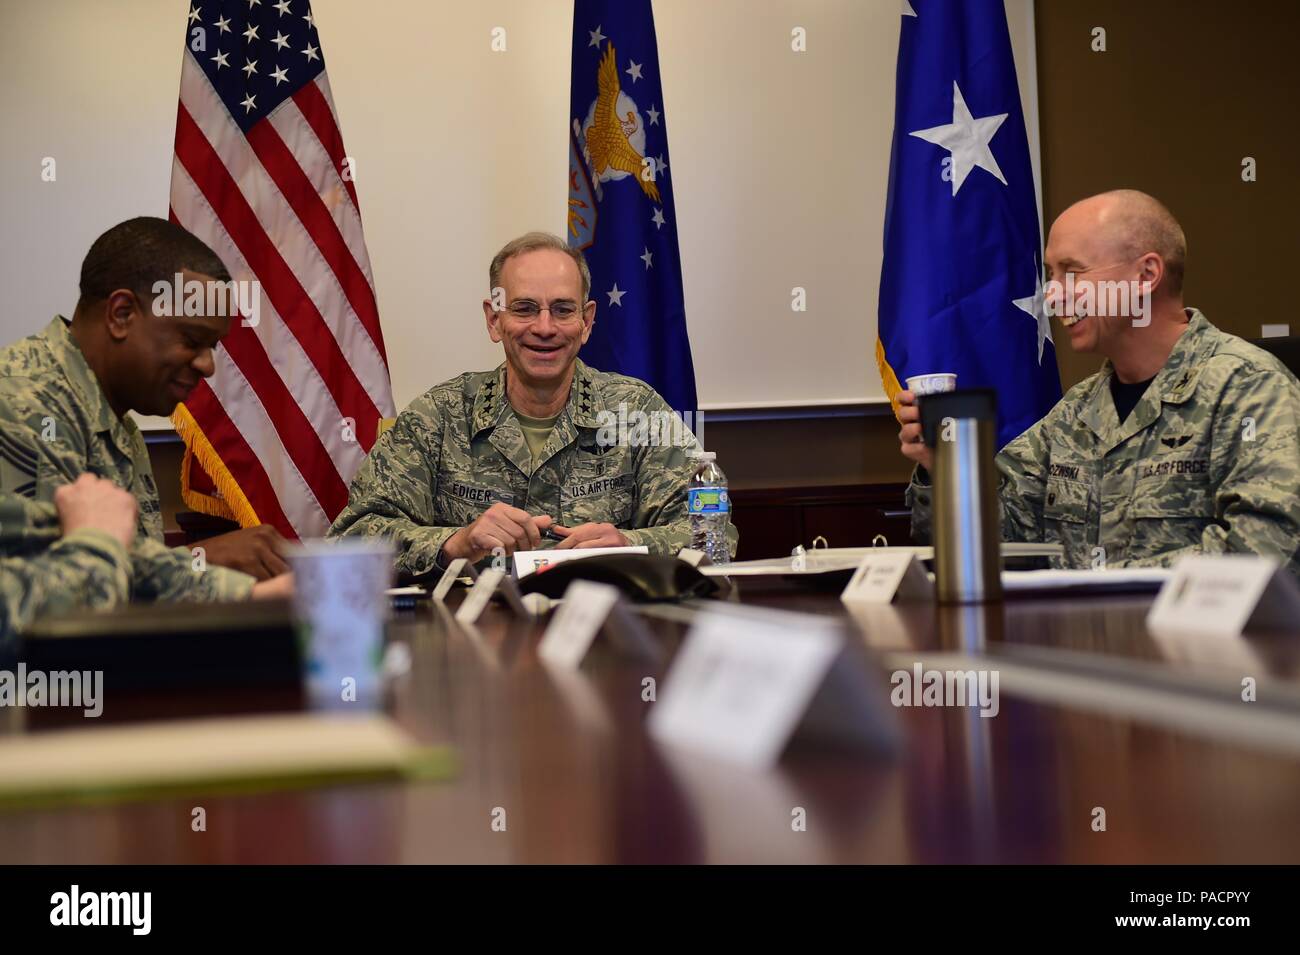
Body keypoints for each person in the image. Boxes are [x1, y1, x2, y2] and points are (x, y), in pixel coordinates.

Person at [897, 190, 1300, 573]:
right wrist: (945, 468)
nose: (1053, 297)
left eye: (1072, 272)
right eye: (1051, 276)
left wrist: (1094, 579)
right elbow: (991, 544)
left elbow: (1266, 552)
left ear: (1146, 274)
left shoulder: (1250, 389)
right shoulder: (1078, 411)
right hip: (1077, 641)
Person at [330, 231, 735, 574]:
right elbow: (350, 539)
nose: (544, 328)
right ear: (494, 320)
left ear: (587, 322)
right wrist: (455, 542)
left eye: (562, 310)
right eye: (524, 309)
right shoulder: (437, 418)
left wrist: (628, 545)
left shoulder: (637, 412)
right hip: (472, 643)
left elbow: (715, 534)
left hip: (606, 642)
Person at [0, 217, 292, 601]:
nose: (208, 365)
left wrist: (212, 570)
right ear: (121, 314)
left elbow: (114, 569)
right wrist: (203, 561)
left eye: (214, 347)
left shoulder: (116, 419)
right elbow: (52, 607)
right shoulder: (25, 405)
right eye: (192, 339)